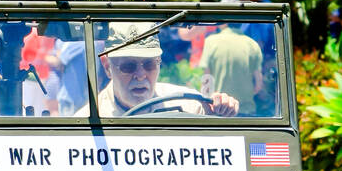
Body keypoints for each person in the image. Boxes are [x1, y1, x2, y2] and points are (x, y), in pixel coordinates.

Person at [94, 31, 238, 117]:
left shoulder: (190, 105)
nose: (140, 75)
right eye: (129, 66)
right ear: (107, 67)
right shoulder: (89, 122)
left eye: (150, 64)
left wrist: (223, 109)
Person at [198, 22, 264, 116]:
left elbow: (207, 84)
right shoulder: (252, 44)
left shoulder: (210, 41)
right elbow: (258, 85)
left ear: (224, 23)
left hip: (220, 111)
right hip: (247, 112)